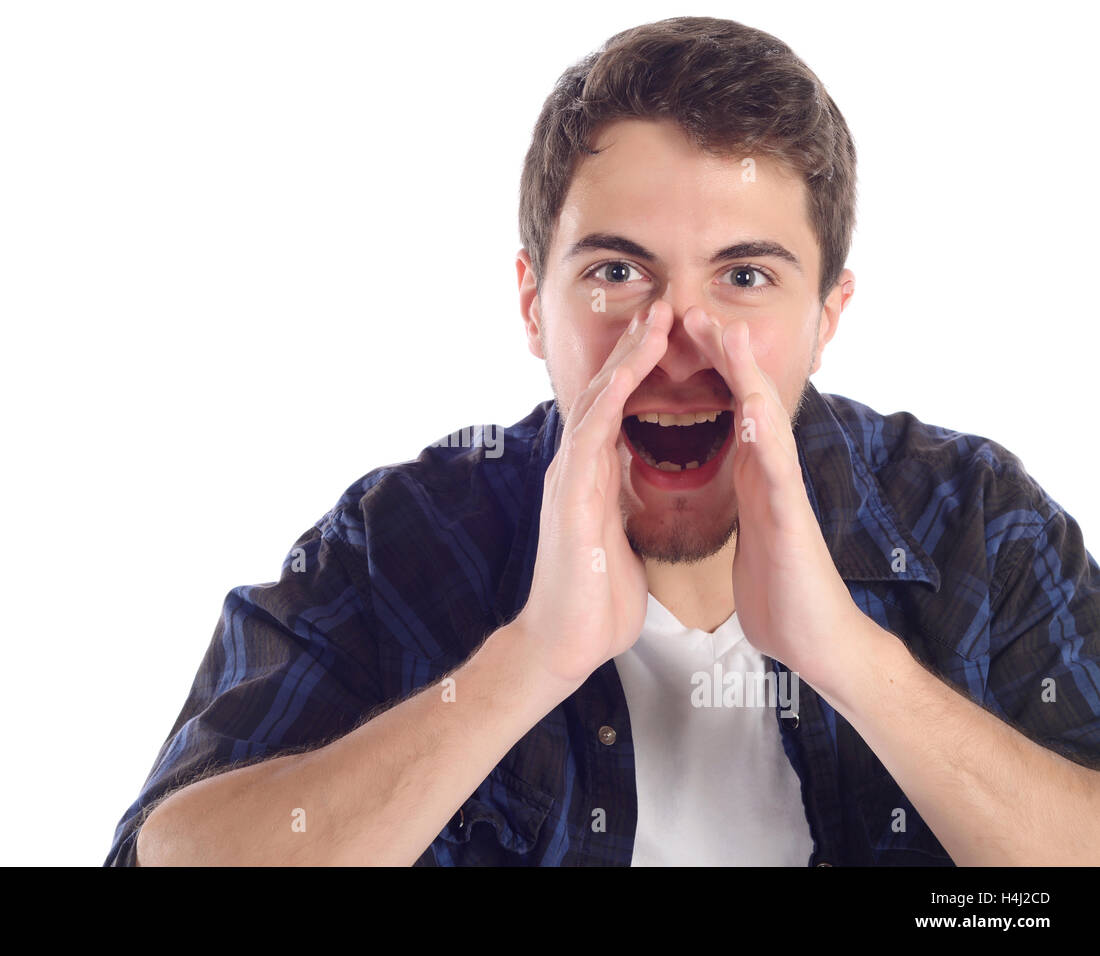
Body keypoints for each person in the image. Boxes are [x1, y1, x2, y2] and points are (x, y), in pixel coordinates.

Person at [105, 15, 1100, 866]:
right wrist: (527, 662)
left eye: (745, 277)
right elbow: (172, 852)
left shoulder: (978, 522)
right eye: (617, 273)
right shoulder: (397, 541)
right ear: (533, 303)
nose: (673, 342)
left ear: (827, 314)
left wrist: (846, 655)